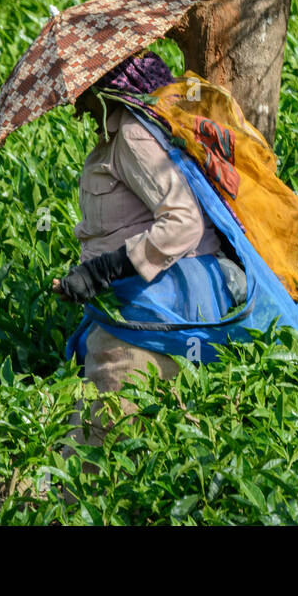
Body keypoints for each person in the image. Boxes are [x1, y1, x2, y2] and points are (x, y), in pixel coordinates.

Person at [55, 52, 245, 455]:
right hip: (148, 293)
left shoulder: (132, 135)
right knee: (146, 427)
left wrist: (102, 270)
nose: (75, 101)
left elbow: (183, 223)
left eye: (81, 89)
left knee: (104, 429)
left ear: (104, 87)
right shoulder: (120, 135)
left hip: (161, 296)